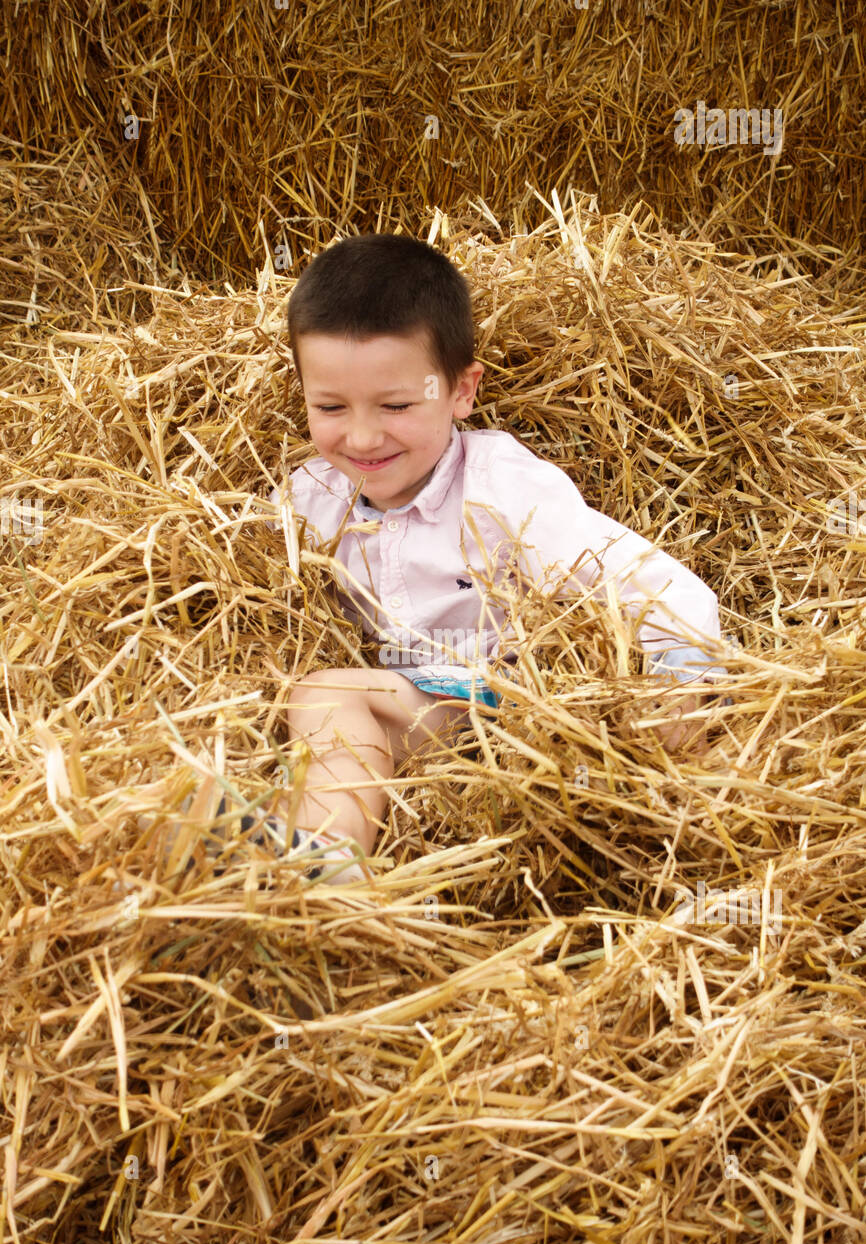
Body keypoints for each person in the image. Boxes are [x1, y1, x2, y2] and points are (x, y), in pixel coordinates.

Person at [220, 234, 729, 884]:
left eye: (397, 405)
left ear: (461, 391)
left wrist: (676, 696)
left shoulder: (503, 491)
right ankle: (327, 859)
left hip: (530, 714)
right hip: (423, 712)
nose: (363, 436)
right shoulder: (309, 499)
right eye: (330, 407)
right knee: (323, 701)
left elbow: (657, 588)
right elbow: (236, 571)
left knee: (330, 691)